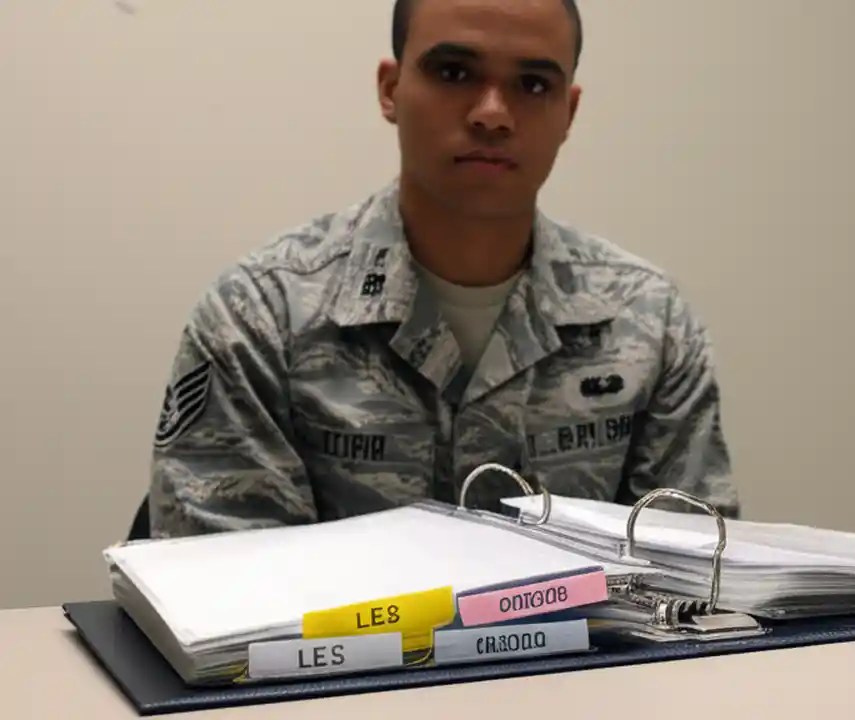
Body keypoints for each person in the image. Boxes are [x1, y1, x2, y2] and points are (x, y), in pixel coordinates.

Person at [146, 0, 739, 538]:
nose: (492, 114)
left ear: (569, 112)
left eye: (533, 84)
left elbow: (692, 578)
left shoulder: (648, 321)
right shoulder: (262, 315)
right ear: (390, 90)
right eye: (454, 73)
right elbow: (220, 589)